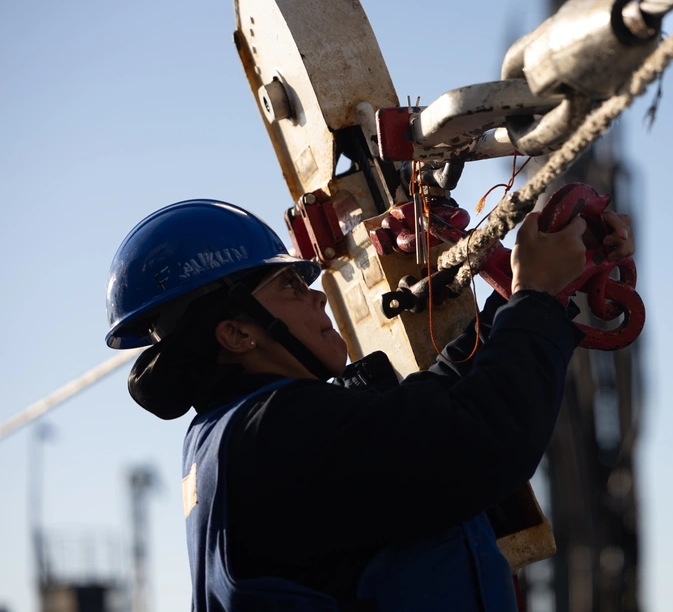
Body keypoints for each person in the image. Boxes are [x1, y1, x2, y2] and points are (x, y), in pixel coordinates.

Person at [105, 198, 633, 612]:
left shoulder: (242, 434)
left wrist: (537, 290)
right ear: (237, 333)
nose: (317, 296)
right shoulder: (278, 434)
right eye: (289, 286)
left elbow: (430, 408)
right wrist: (537, 298)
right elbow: (481, 439)